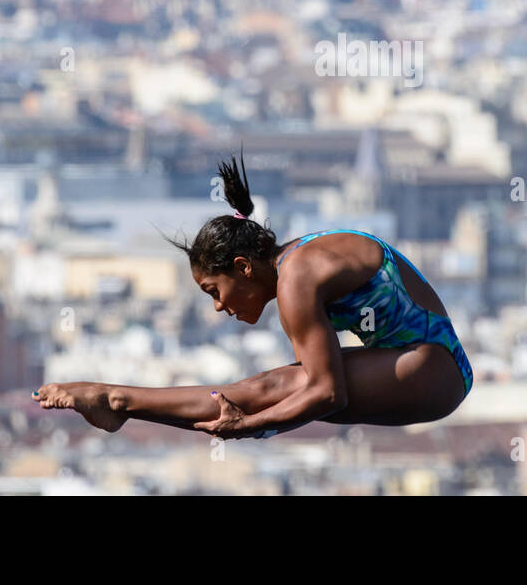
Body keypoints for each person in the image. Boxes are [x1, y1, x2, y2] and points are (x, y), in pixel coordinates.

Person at [33, 154, 473, 439]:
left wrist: (248, 426)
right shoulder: (298, 259)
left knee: (278, 387)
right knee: (272, 387)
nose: (219, 307)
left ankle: (116, 400)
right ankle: (118, 402)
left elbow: (327, 394)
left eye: (215, 291)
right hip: (427, 364)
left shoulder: (296, 278)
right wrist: (246, 422)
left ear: (244, 267)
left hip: (432, 367)